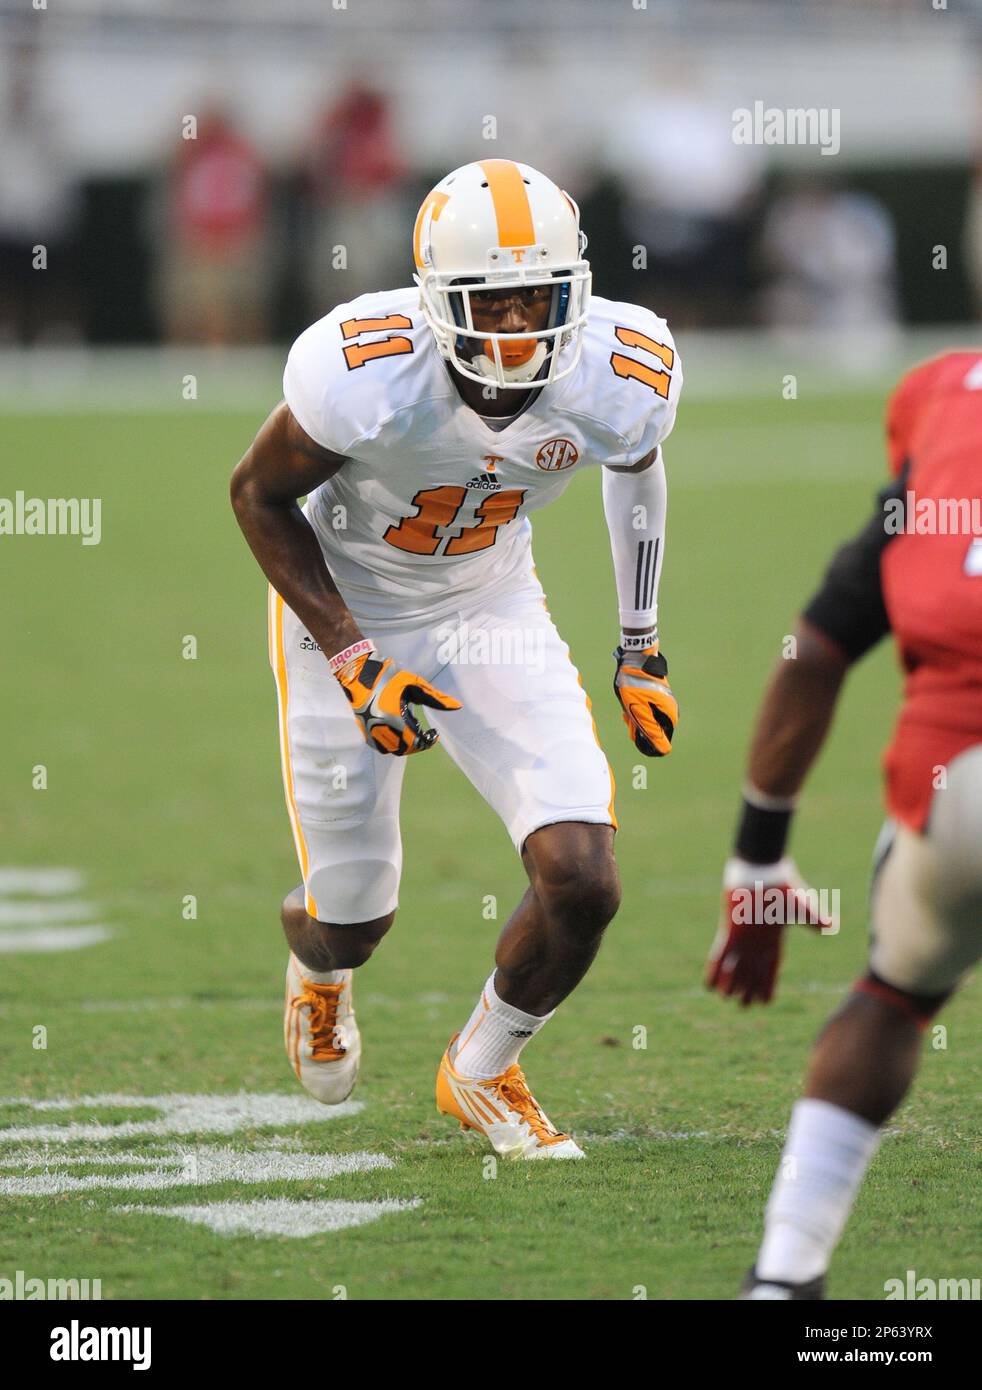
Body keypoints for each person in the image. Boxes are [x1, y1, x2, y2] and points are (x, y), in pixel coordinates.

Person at [231, 159, 682, 1160]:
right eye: (494, 300)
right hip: (344, 605)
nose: (521, 325)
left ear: (578, 288)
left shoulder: (620, 363)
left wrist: (640, 645)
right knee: (352, 916)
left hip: (490, 601)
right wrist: (351, 657)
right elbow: (256, 495)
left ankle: (480, 1069)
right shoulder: (365, 370)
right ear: (439, 299)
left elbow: (636, 467)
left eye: (541, 297)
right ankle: (320, 973)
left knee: (582, 877)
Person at [706, 351, 982, 1295]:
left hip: (956, 787)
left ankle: (784, 1278)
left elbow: (816, 648)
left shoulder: (944, 394)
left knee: (895, 995)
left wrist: (756, 862)